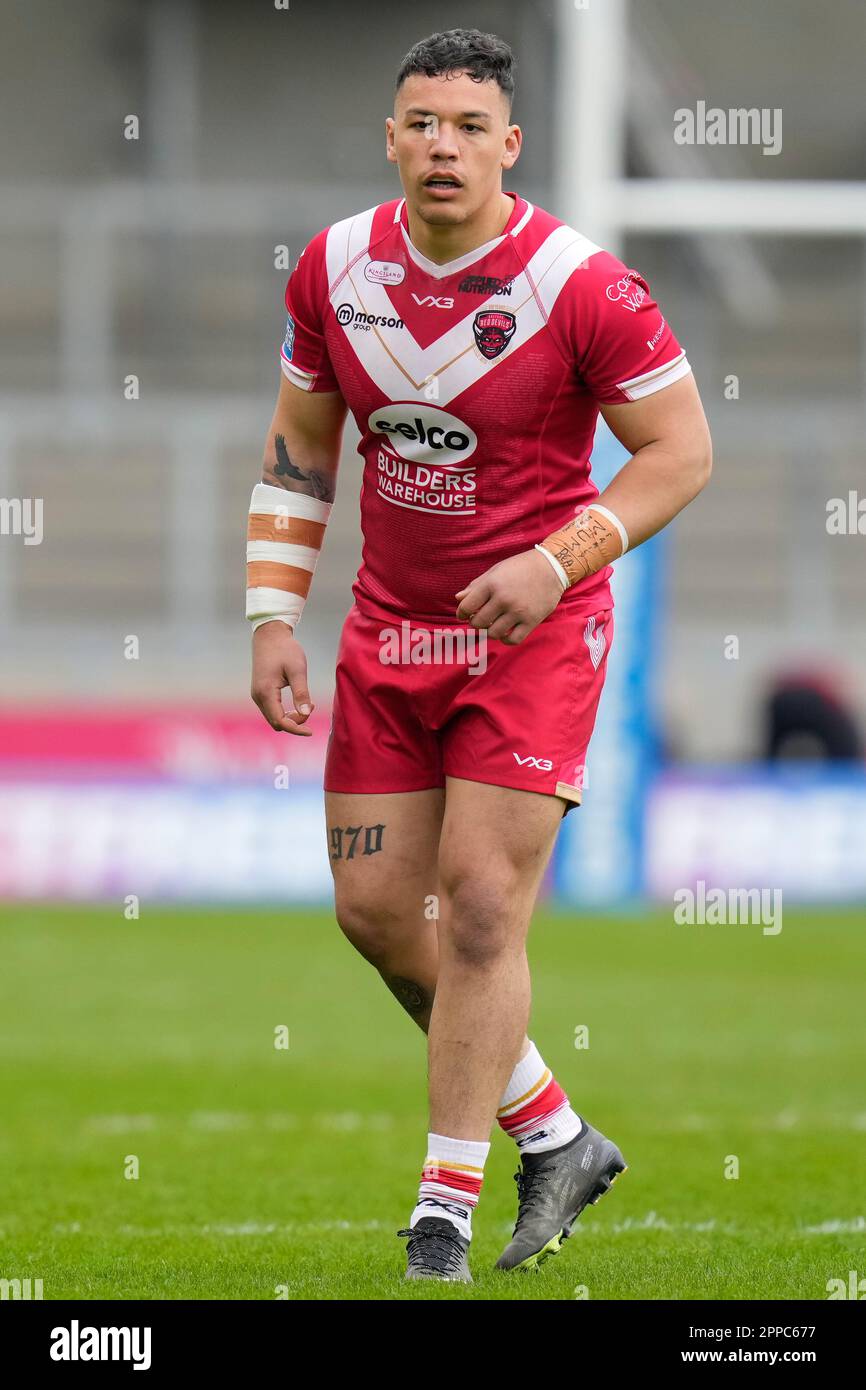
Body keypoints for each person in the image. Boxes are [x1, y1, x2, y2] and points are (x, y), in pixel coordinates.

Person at [247, 28, 712, 1283]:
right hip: (385, 632)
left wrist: (560, 558)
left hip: (534, 631)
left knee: (482, 903)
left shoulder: (581, 284)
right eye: (419, 123)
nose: (440, 146)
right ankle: (555, 1134)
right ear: (389, 137)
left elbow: (680, 451)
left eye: (466, 127)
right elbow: (300, 445)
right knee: (374, 912)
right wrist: (270, 612)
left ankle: (441, 1214)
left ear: (508, 145)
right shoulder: (334, 270)